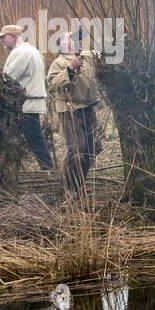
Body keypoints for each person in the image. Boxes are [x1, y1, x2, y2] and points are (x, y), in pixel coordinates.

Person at [46, 32, 103, 197]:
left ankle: (79, 186)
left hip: (88, 109)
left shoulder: (87, 58)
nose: (78, 40)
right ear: (63, 44)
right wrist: (70, 69)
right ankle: (67, 189)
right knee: (77, 149)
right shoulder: (59, 63)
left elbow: (93, 79)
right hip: (70, 109)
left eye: (79, 38)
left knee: (90, 151)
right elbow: (52, 84)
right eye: (72, 38)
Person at [0, 23, 54, 169]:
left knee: (32, 139)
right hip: (31, 101)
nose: (2, 41)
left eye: (4, 37)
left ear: (13, 37)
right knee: (32, 139)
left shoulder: (20, 53)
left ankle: (48, 171)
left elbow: (7, 78)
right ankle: (40, 170)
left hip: (26, 104)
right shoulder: (33, 50)